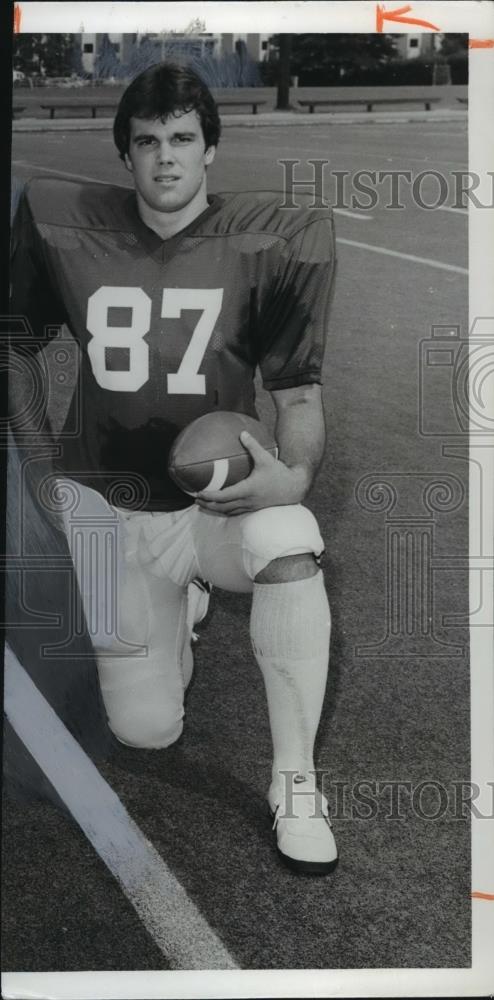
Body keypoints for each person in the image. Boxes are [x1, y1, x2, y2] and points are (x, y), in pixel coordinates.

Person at [10, 62, 337, 875]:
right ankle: (177, 607)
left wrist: (291, 477)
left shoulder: (269, 240)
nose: (166, 157)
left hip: (213, 508)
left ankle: (294, 782)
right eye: (148, 141)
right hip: (105, 505)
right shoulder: (62, 222)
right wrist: (43, 467)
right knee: (146, 728)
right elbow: (11, 345)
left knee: (291, 534)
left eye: (183, 139)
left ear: (209, 151)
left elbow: (296, 396)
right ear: (125, 155)